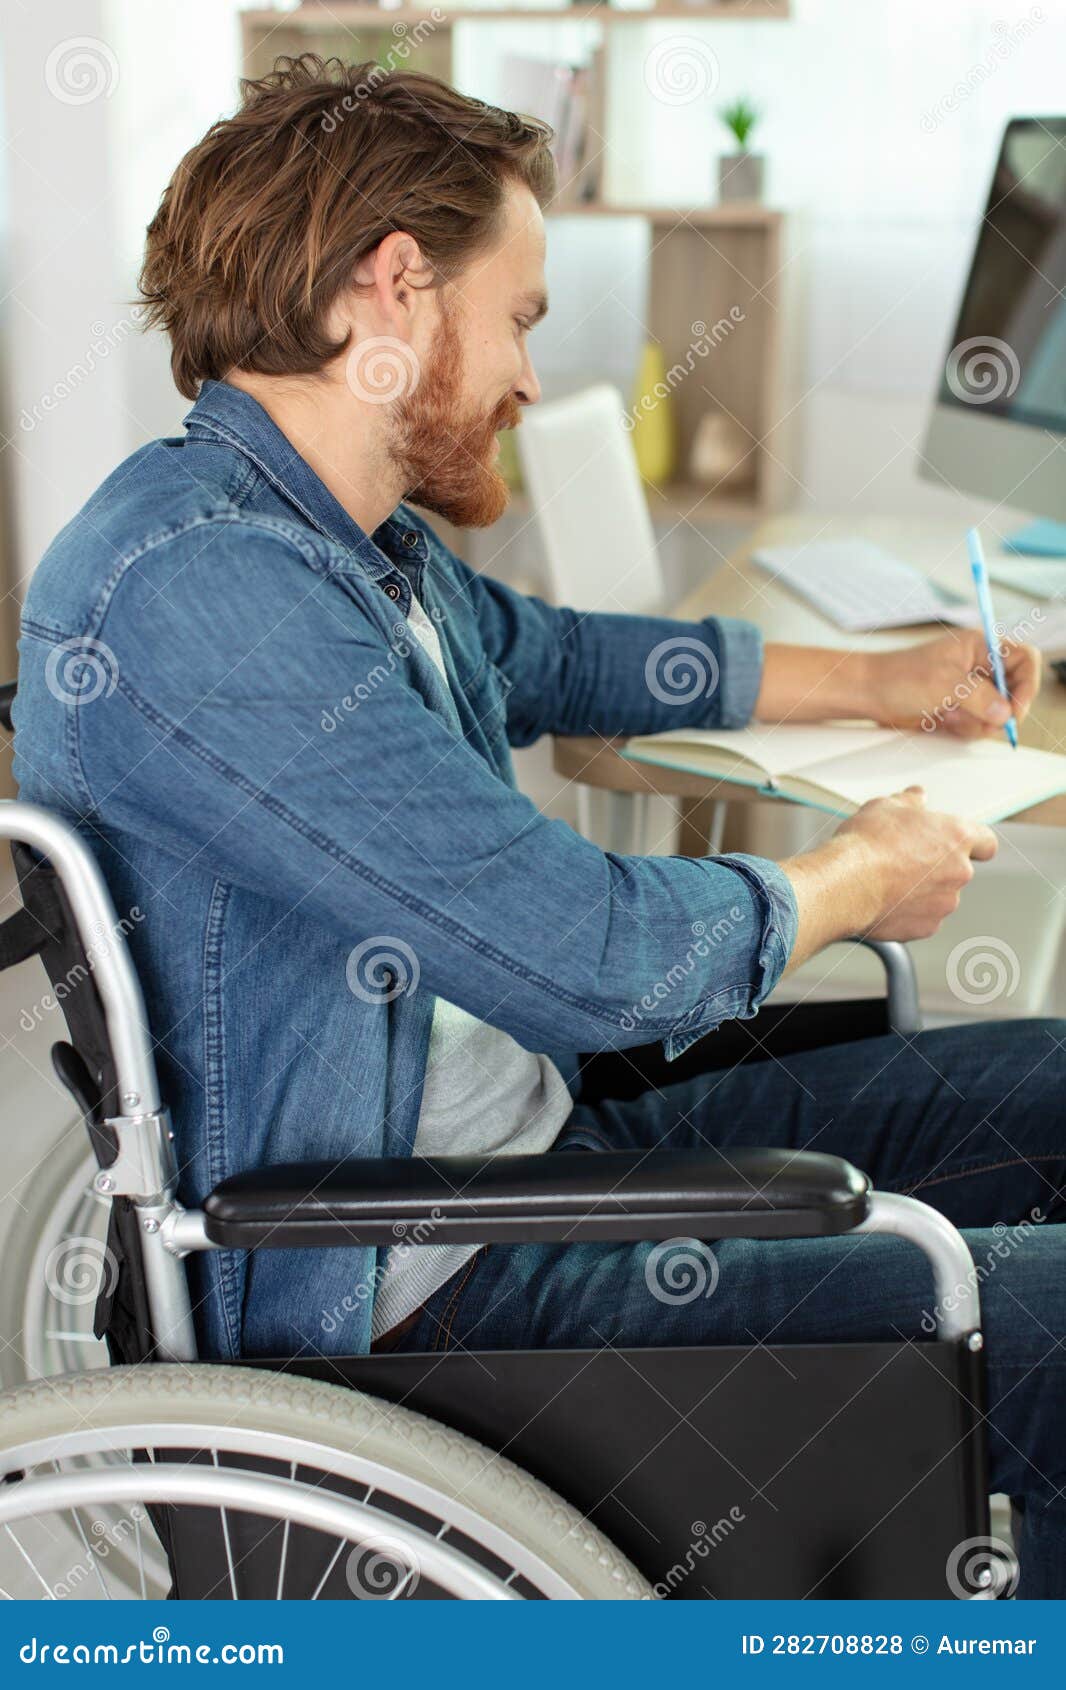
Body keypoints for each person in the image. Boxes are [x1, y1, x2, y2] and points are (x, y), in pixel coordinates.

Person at [12, 56, 1063, 1595]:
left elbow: (554, 657)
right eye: (519, 318)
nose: (523, 373)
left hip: (533, 1146)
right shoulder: (200, 595)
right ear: (392, 295)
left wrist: (882, 675)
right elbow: (597, 962)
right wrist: (847, 879)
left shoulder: (336, 539)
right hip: (442, 1274)